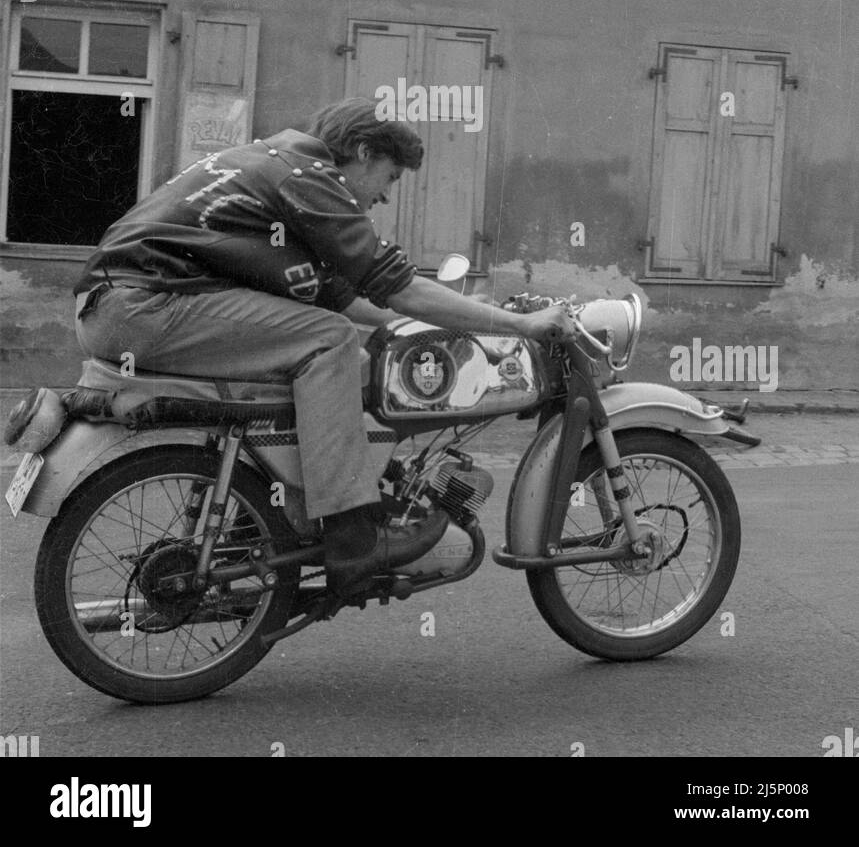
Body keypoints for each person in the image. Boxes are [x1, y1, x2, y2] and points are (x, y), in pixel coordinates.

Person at [73, 97, 571, 592]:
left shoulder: (274, 165)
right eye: (390, 177)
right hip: (143, 307)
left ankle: (270, 524)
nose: (385, 196)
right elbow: (398, 287)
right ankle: (353, 537)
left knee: (339, 354)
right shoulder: (309, 178)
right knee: (328, 340)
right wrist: (517, 325)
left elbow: (344, 295)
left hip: (118, 309)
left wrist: (437, 322)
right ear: (361, 151)